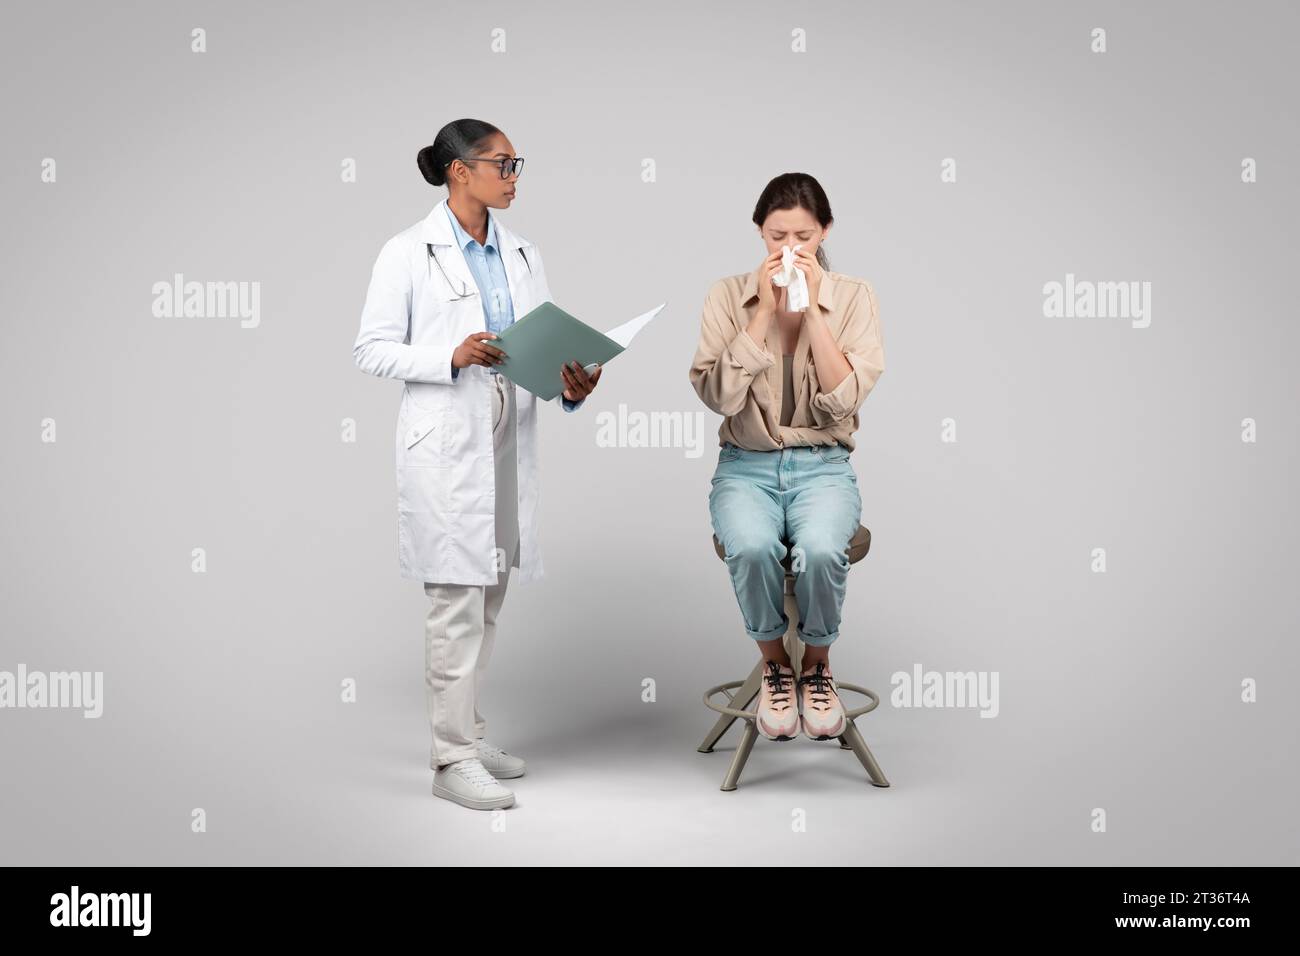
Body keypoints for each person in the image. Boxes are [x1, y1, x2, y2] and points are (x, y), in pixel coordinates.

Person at [354, 118, 602, 810]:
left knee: (489, 591)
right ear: (459, 171)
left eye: (517, 162)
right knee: (455, 602)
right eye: (503, 163)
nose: (514, 174)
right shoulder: (407, 252)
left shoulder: (522, 253)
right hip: (447, 437)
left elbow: (540, 351)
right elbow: (370, 348)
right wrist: (449, 357)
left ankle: (470, 730)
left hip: (506, 428)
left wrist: (571, 385)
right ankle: (450, 759)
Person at [688, 172, 884, 743]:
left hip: (822, 465)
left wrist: (814, 313)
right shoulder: (727, 295)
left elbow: (845, 398)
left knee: (822, 549)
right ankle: (776, 664)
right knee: (750, 547)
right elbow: (718, 395)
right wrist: (764, 314)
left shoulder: (855, 297)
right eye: (777, 237)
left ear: (824, 232)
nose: (790, 249)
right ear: (759, 233)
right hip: (745, 466)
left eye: (803, 236)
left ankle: (817, 667)